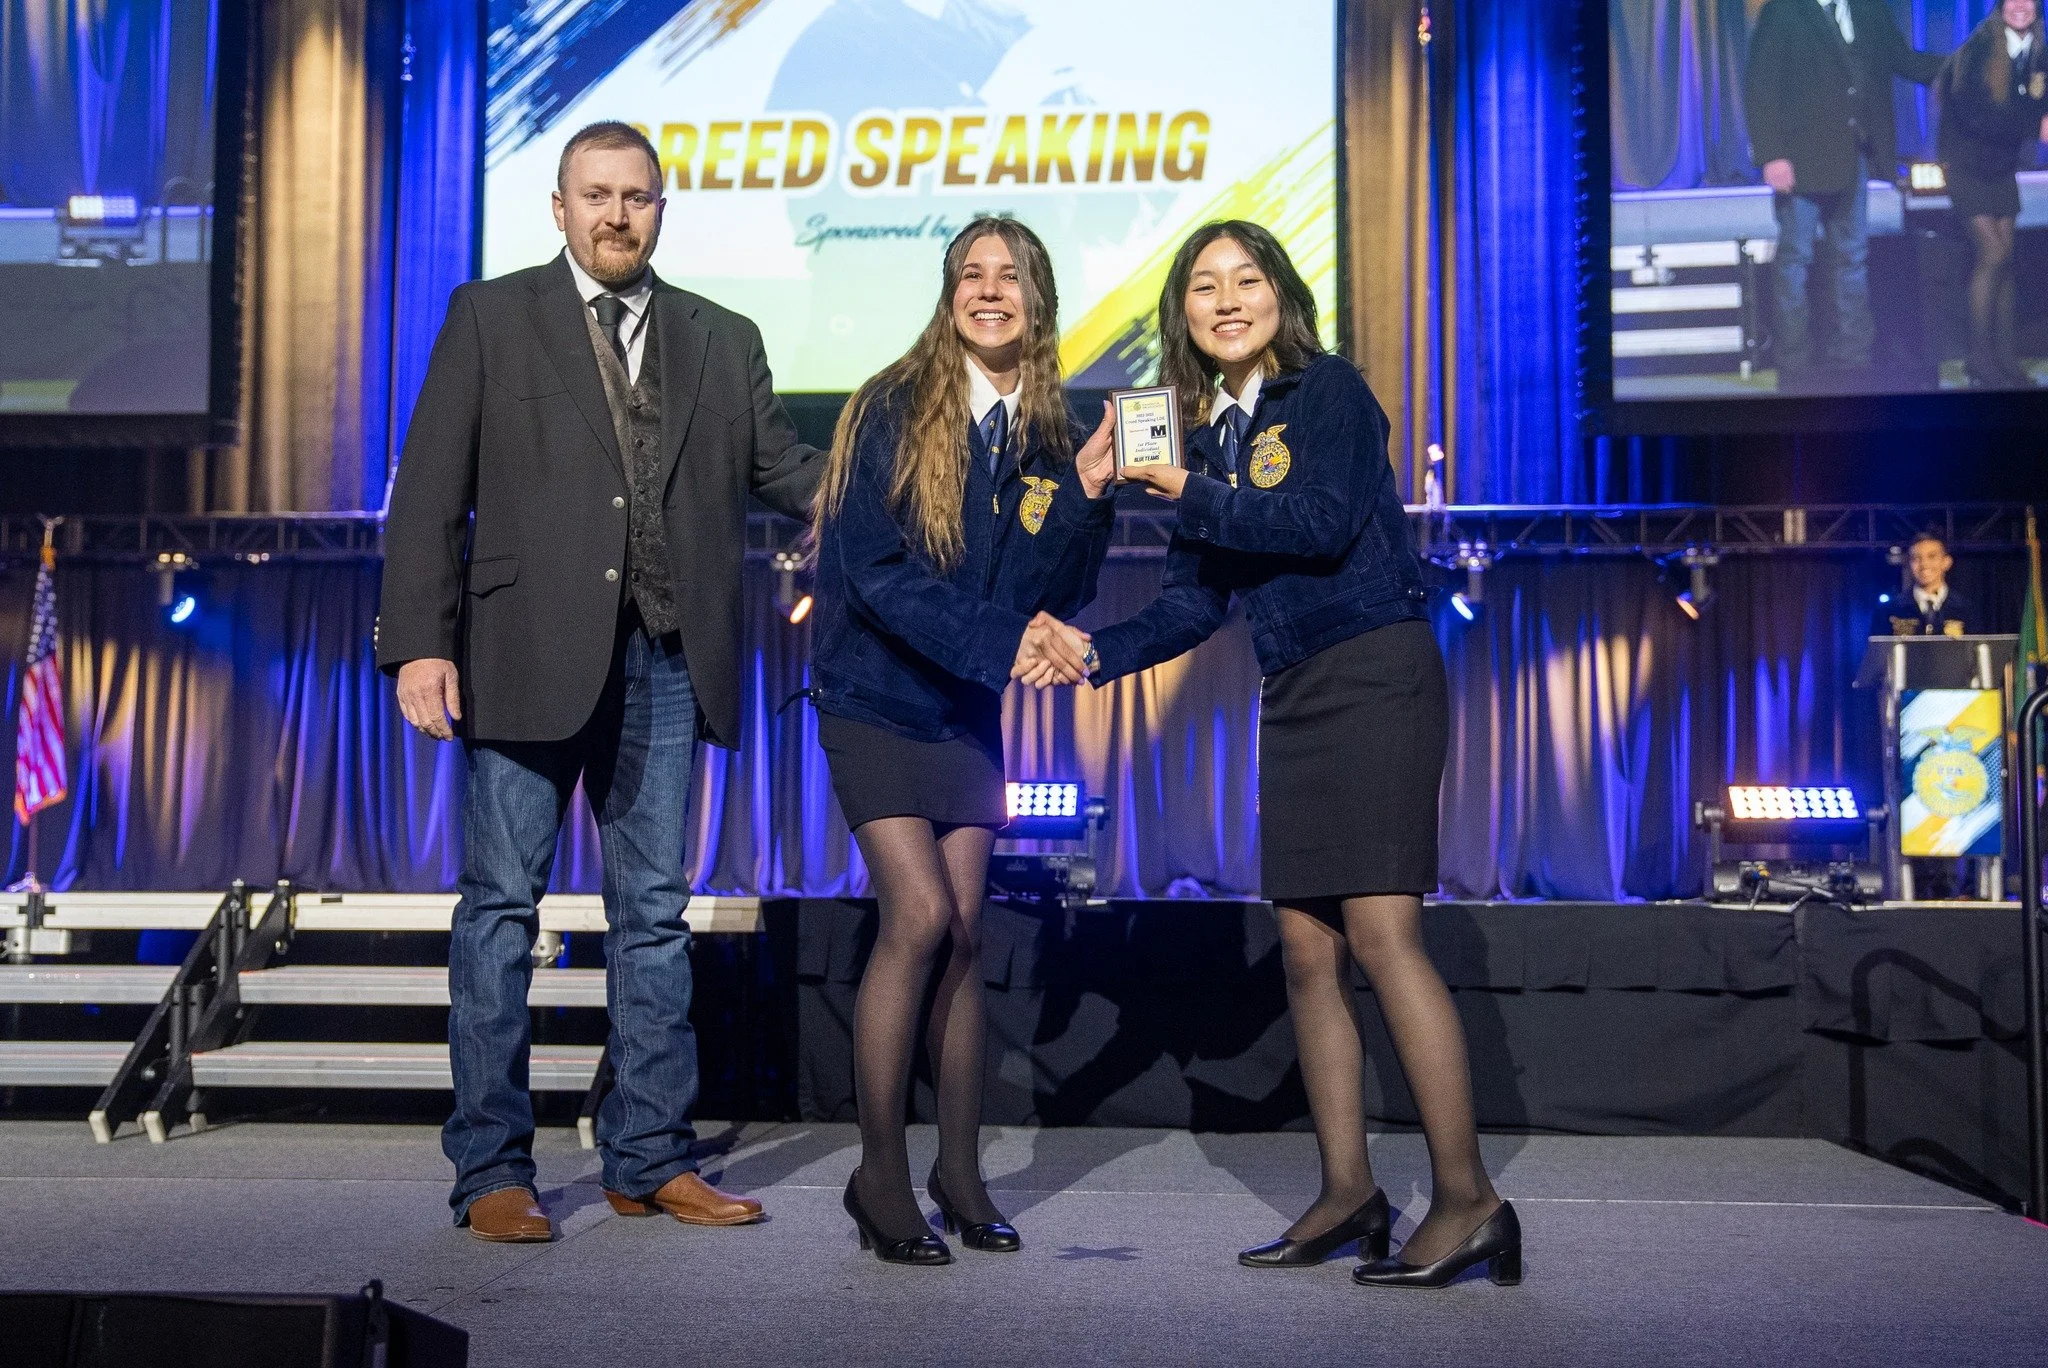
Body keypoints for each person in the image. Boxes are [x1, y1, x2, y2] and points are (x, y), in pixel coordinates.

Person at [377, 122, 821, 1242]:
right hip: (519, 653)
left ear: (662, 209)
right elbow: (429, 487)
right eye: (596, 195)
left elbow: (789, 472)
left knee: (653, 917)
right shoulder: (491, 314)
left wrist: (928, 470)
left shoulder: (721, 336)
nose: (617, 214)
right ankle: (490, 1172)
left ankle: (650, 1158)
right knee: (498, 914)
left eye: (637, 197)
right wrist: (418, 643)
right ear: (559, 206)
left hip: (665, 660)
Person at [1055, 220, 1517, 1289]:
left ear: (1281, 292)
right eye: (1201, 287)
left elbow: (1312, 523)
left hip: (1373, 674)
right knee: (1307, 949)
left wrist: (1183, 490)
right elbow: (1189, 603)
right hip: (1294, 690)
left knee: (1382, 936)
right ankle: (1348, 1190)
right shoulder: (1208, 436)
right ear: (1177, 316)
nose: (1224, 300)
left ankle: (1468, 1200)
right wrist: (1089, 654)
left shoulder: (1329, 393)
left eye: (1244, 279)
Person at [808, 214, 1116, 1265]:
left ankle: (960, 1173)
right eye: (971, 275)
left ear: (1038, 300)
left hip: (963, 710)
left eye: (1011, 276)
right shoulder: (891, 409)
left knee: (969, 934)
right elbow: (882, 576)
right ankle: (879, 1178)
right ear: (948, 298)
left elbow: (1052, 586)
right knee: (921, 916)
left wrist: (1083, 490)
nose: (990, 291)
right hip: (873, 698)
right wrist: (1009, 634)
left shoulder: (1043, 431)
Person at [1744, 0, 1945, 388]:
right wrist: (1772, 155)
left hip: (1852, 157)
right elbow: (1762, 84)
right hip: (1799, 160)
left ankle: (1852, 358)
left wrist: (1961, 65)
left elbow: (1902, 59)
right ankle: (1794, 364)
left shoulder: (1867, 9)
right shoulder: (1784, 11)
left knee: (1852, 257)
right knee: (1794, 261)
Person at [1938, 0, 2048, 388]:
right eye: (2013, 0)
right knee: (1993, 254)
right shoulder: (1981, 48)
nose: (2021, 7)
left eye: (2029, 1)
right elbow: (1975, 111)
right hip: (1967, 164)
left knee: (2007, 260)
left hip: (2001, 169)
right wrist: (2034, 125)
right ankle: (1979, 359)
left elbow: (2037, 100)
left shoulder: (2037, 52)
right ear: (2000, 8)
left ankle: (2005, 360)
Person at [1874, 533, 1976, 638]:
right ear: (1909, 564)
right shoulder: (1890, 610)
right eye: (1916, 558)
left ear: (1947, 562)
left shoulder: (1965, 609)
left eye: (1932, 557)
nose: (1924, 565)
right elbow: (1877, 652)